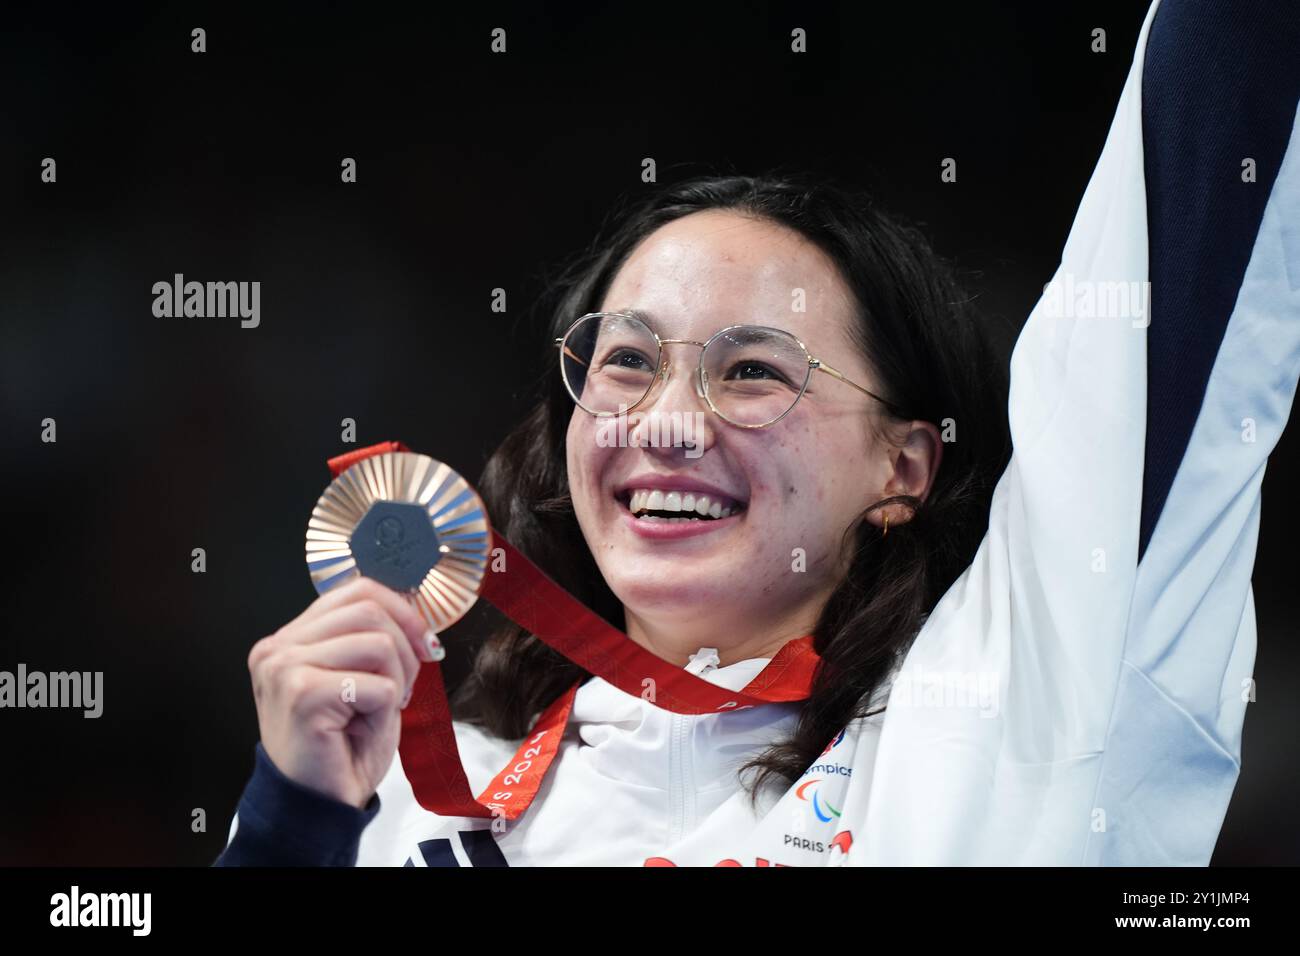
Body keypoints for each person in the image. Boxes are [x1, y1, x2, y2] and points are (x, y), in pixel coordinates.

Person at [216, 0, 1300, 866]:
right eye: (627, 359)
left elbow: (1199, 156)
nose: (671, 423)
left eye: (751, 371)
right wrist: (288, 827)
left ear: (904, 464)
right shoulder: (399, 805)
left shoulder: (1021, 711)